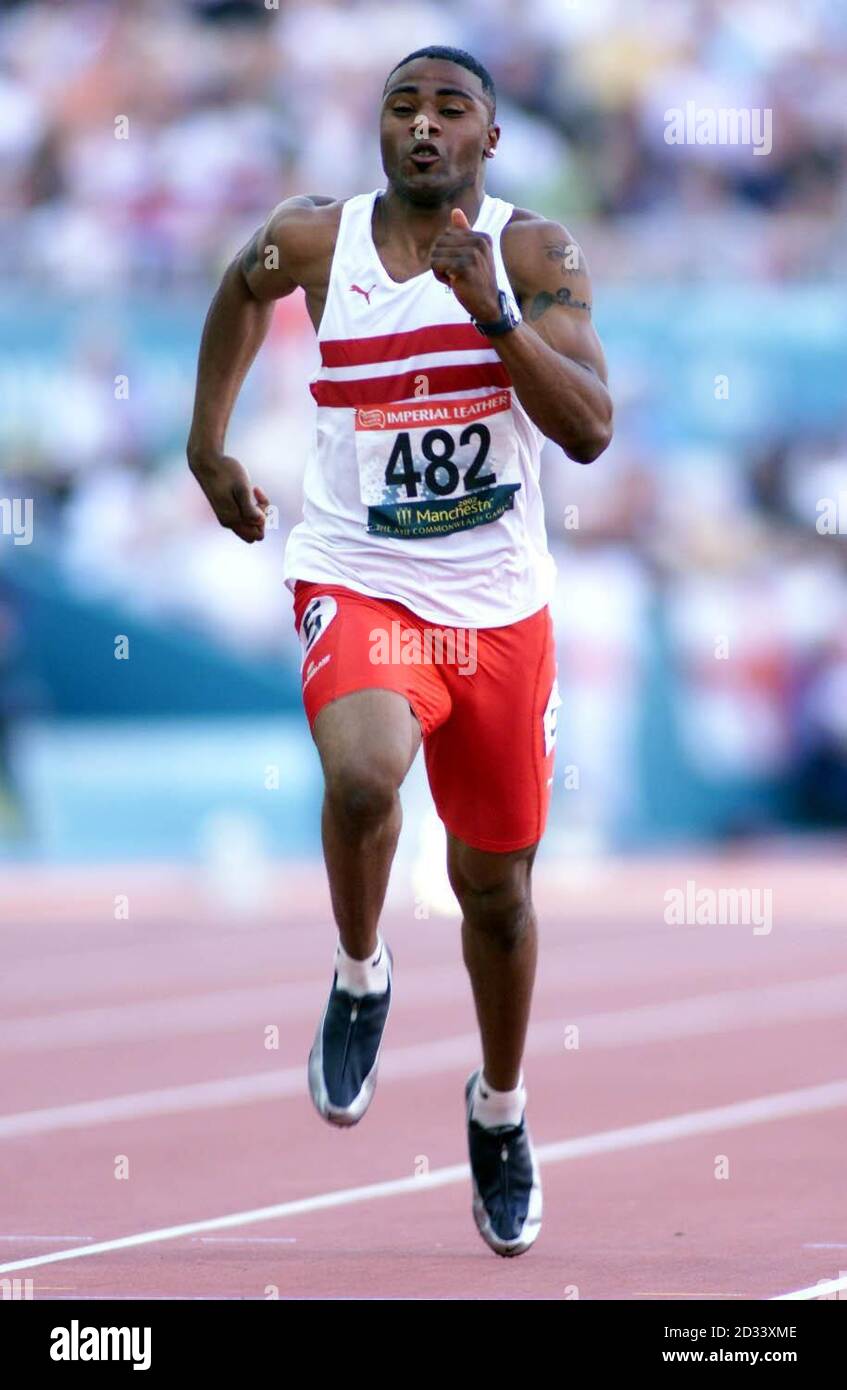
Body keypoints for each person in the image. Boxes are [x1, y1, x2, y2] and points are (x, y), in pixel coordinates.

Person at [187, 44, 612, 1257]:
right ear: (379, 132)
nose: (422, 126)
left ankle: (499, 1106)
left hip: (498, 609)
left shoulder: (537, 255)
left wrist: (496, 317)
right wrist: (207, 444)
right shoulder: (315, 241)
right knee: (363, 775)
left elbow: (587, 428)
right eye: (401, 108)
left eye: (451, 110)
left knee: (496, 892)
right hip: (360, 574)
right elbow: (237, 287)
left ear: (489, 141)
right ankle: (362, 968)